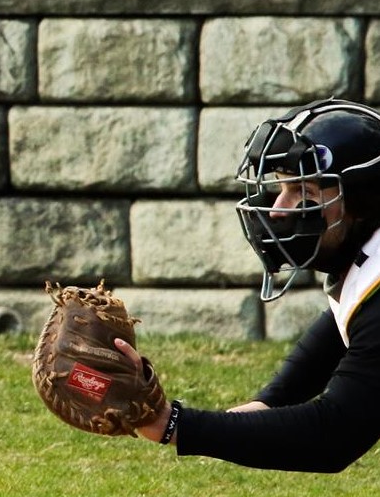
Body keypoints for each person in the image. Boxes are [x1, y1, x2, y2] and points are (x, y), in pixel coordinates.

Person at [121, 98, 380, 463]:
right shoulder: (366, 262)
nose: (278, 208)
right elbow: (330, 341)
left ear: (364, 204)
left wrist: (174, 425)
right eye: (282, 187)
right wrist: (262, 405)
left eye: (303, 193)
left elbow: (335, 433)